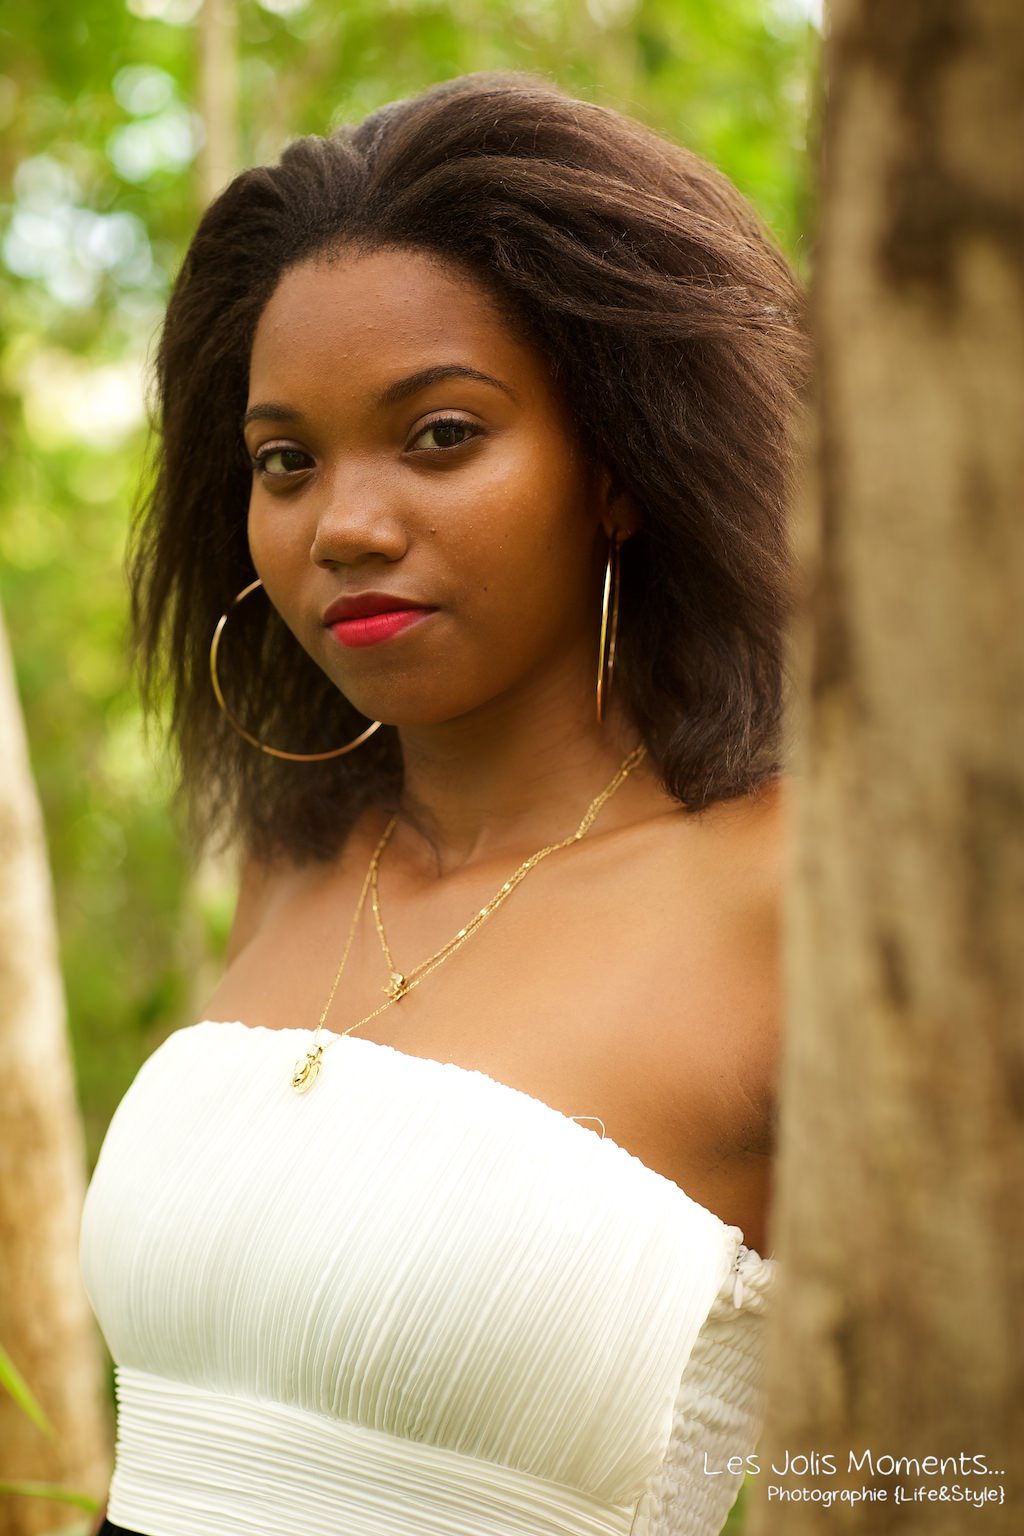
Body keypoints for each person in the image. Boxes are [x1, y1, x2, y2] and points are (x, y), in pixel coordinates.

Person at [79, 69, 809, 1536]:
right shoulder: (292, 869)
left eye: (440, 436)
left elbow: (954, 1448)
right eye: (286, 461)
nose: (345, 524)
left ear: (617, 469)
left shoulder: (800, 895)